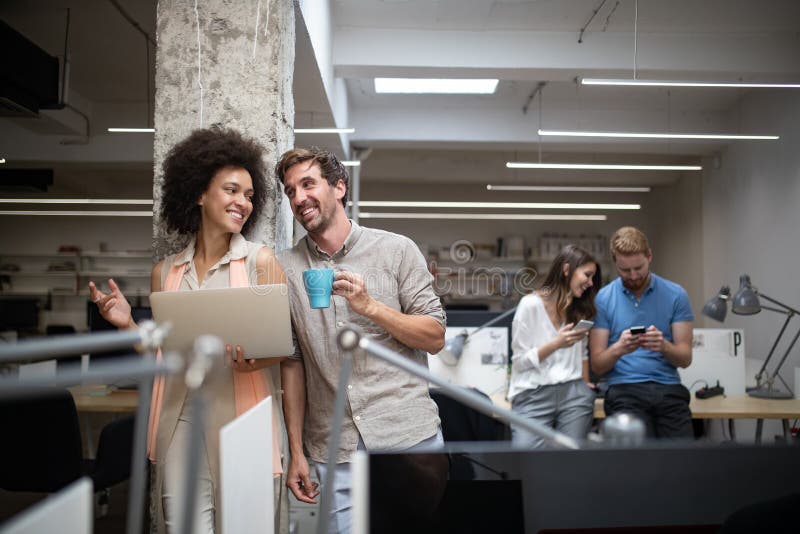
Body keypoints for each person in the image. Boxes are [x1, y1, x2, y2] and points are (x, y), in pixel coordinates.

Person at [88, 127, 289, 534]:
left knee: (245, 526)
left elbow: (283, 347)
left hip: (242, 415)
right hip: (178, 416)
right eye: (231, 190)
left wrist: (254, 360)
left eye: (249, 195)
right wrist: (128, 324)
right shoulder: (165, 273)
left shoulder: (261, 262)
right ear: (199, 193)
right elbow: (164, 354)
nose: (243, 202)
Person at [274, 147, 448, 534]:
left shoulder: (396, 250)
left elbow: (434, 336)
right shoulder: (284, 268)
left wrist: (370, 307)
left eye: (308, 184)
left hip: (407, 438)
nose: (299, 198)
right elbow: (292, 363)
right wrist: (296, 452)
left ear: (339, 187)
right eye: (290, 191)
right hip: (333, 446)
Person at [589, 226, 694, 439]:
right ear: (615, 263)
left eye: (638, 268)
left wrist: (664, 346)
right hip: (624, 390)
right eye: (625, 270)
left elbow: (685, 359)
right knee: (636, 452)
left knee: (681, 454)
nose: (633, 276)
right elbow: (597, 365)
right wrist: (619, 348)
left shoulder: (676, 295)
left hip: (668, 389)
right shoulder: (603, 298)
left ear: (649, 257)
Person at [508, 244, 601, 448]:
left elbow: (583, 354)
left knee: (569, 457)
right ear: (567, 269)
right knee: (526, 457)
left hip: (574, 393)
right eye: (587, 275)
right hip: (533, 393)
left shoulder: (580, 309)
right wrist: (556, 344)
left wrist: (585, 383)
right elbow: (520, 363)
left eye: (593, 277)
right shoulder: (530, 305)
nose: (590, 283)